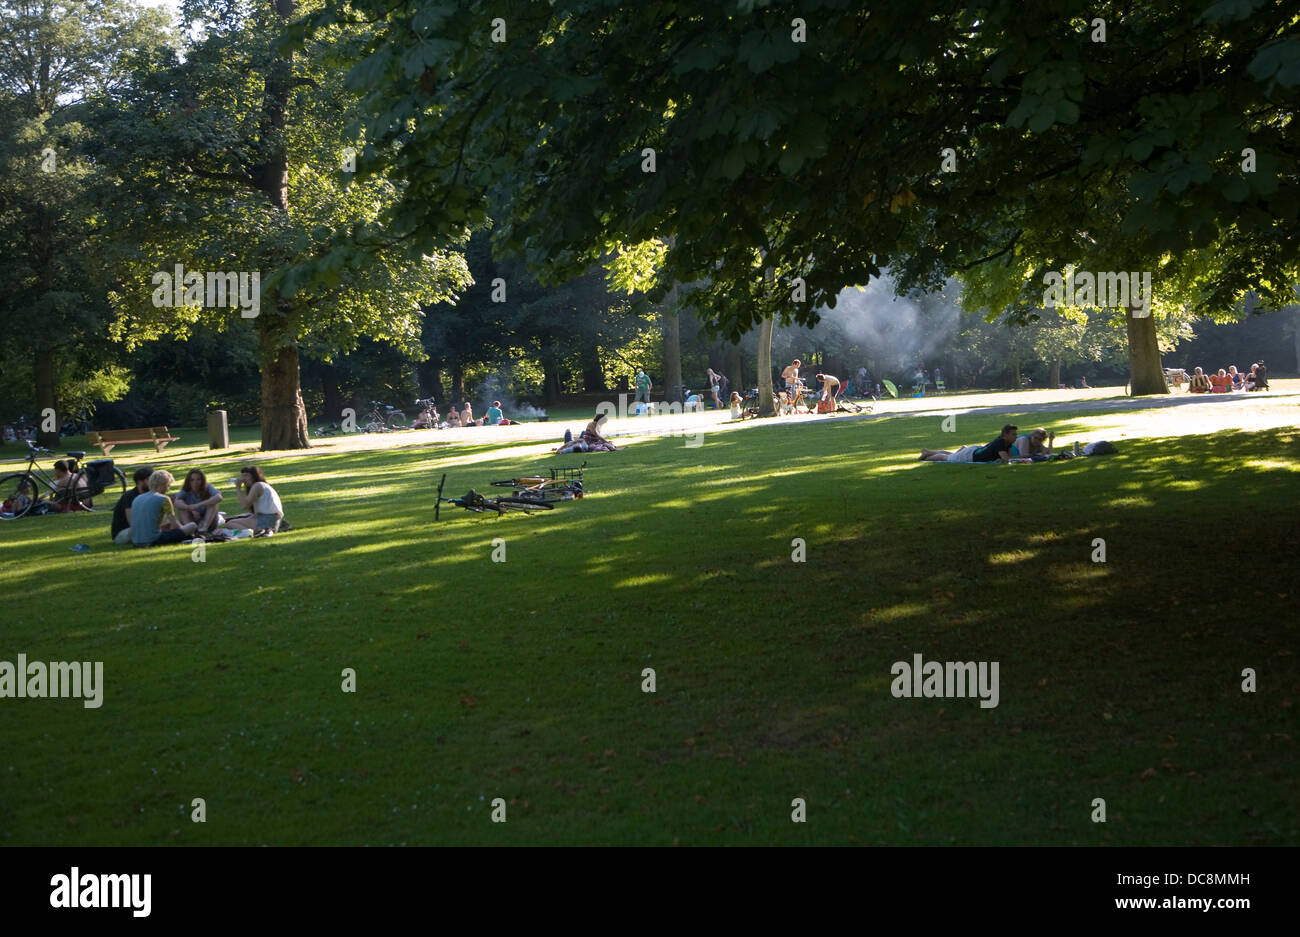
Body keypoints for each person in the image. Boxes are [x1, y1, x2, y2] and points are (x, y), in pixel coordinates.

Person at [130, 470, 198, 547]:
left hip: (135, 541)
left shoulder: (137, 498)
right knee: (192, 525)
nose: (168, 489)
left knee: (168, 525)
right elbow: (174, 523)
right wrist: (185, 531)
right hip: (153, 540)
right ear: (163, 484)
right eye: (168, 485)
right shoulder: (164, 499)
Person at [223, 465, 284, 536]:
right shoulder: (262, 485)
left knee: (230, 524)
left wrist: (238, 488)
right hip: (272, 519)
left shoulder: (257, 486)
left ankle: (253, 532)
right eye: (242, 476)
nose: (243, 479)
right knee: (239, 518)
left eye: (246, 476)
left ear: (254, 476)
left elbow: (245, 505)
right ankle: (260, 531)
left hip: (266, 519)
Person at [920, 424, 1018, 463]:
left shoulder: (1006, 442)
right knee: (947, 458)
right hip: (970, 456)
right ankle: (928, 457)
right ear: (1005, 435)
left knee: (953, 455)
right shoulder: (1001, 442)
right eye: (1013, 434)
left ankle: (928, 452)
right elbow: (1007, 459)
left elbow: (1009, 457)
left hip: (974, 451)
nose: (1016, 436)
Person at [111, 465, 154, 544]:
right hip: (124, 532)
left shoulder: (150, 494)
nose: (153, 483)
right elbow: (132, 521)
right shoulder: (129, 496)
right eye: (149, 479)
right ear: (140, 481)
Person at [174, 468, 224, 534]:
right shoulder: (185, 490)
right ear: (188, 481)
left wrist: (199, 505)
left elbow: (219, 497)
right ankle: (190, 531)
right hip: (191, 520)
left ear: (202, 480)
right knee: (181, 507)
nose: (195, 483)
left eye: (198, 479)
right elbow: (176, 502)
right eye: (192, 480)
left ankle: (203, 529)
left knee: (213, 502)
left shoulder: (208, 487)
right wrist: (189, 508)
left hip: (208, 522)